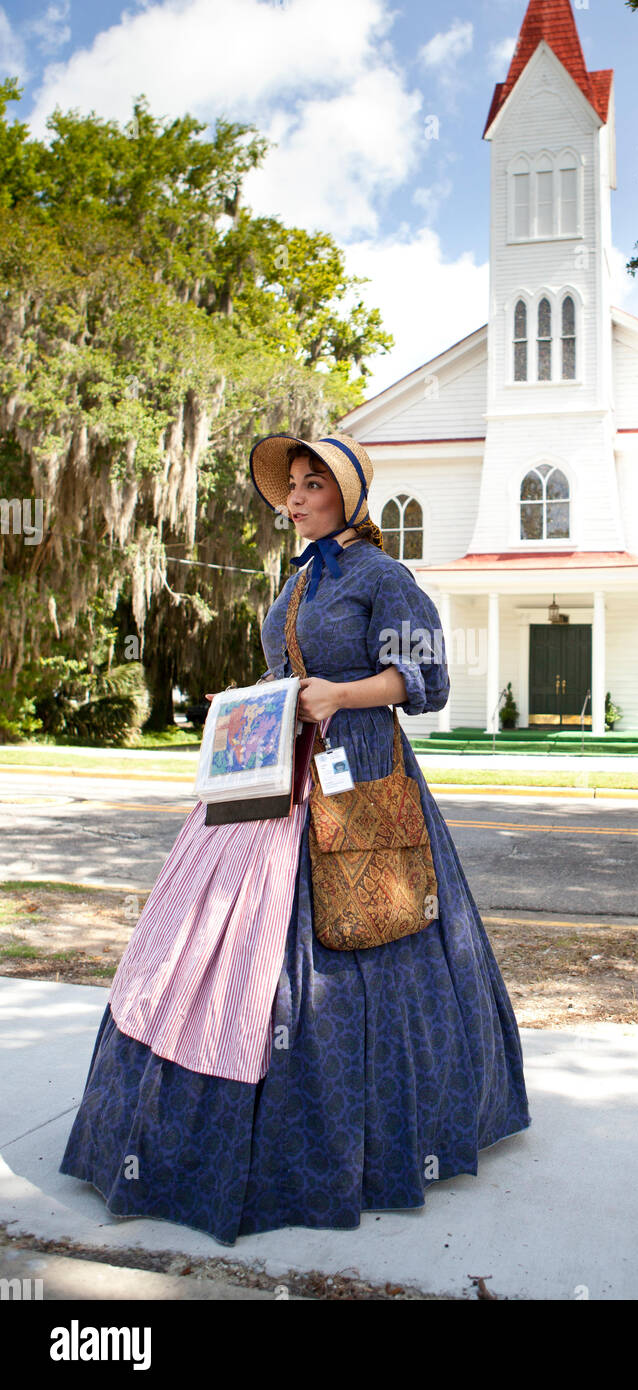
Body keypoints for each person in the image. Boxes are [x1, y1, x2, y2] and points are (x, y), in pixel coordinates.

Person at [59, 429, 531, 1245]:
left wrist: (339, 694)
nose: (296, 496)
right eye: (291, 486)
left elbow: (425, 681)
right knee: (208, 944)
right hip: (273, 778)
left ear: (348, 496)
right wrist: (251, 703)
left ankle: (384, 1145)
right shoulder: (300, 578)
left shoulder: (387, 578)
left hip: (359, 774)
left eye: (313, 484)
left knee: (371, 926)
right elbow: (288, 677)